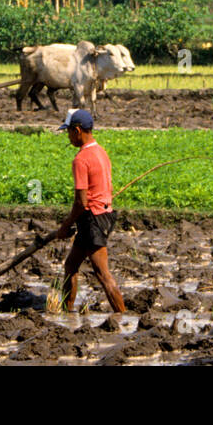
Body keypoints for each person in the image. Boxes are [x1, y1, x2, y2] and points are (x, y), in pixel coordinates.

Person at [52, 108, 126, 314]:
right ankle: (67, 312)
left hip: (92, 218)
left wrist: (65, 225)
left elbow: (80, 202)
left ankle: (122, 316)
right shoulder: (100, 151)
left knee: (102, 274)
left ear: (77, 130)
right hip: (103, 214)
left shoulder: (81, 159)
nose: (68, 136)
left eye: (68, 132)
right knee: (71, 265)